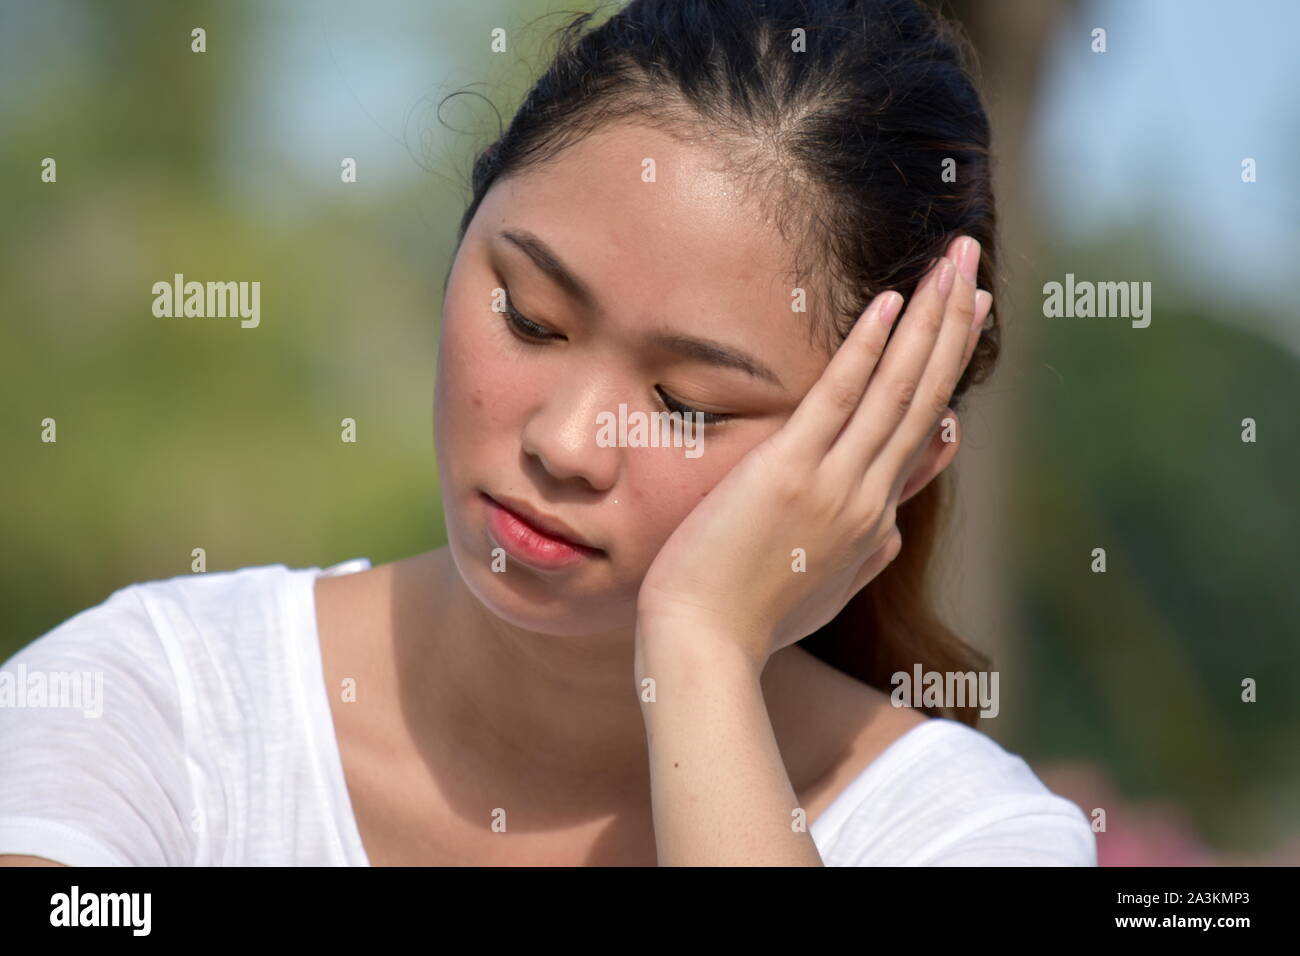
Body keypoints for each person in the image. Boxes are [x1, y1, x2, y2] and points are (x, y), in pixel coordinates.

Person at [0, 0, 1095, 866]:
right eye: (528, 314)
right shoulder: (160, 707)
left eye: (689, 404)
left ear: (889, 456)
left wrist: (701, 659)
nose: (568, 441)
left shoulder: (956, 835)